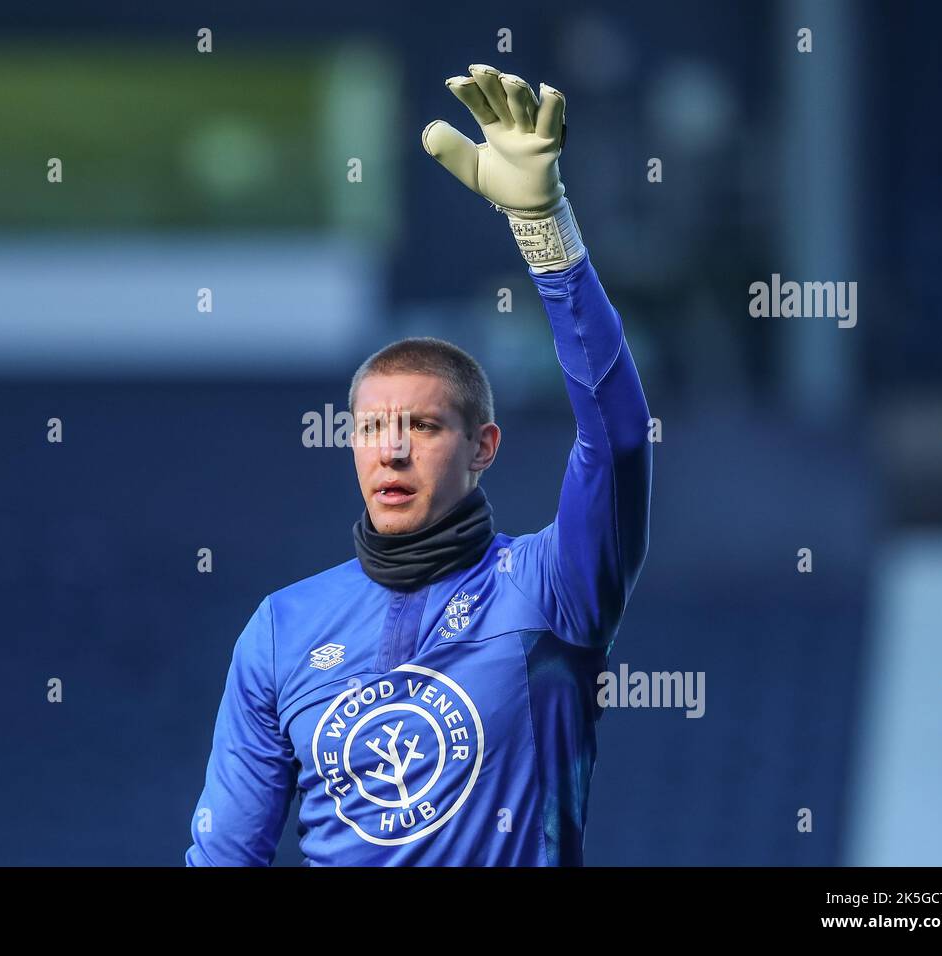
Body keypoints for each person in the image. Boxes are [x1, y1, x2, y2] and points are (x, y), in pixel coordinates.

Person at [185, 64, 652, 866]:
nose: (392, 448)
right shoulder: (281, 630)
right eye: (372, 428)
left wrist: (546, 231)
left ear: (483, 447)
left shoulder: (553, 588)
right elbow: (227, 857)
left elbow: (617, 439)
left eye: (424, 426)